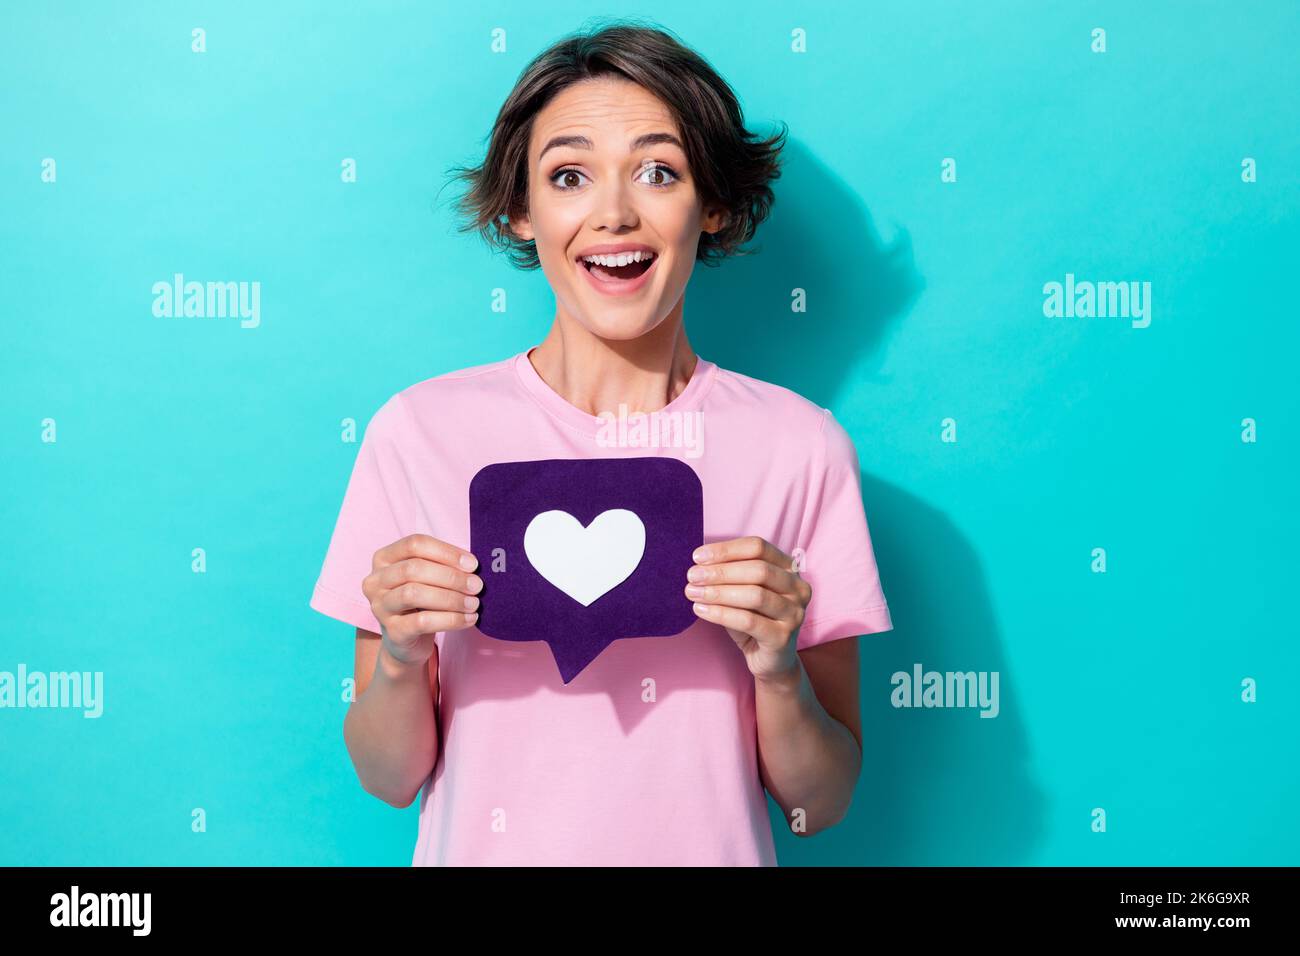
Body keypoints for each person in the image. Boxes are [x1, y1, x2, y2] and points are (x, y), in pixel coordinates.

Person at [309, 19, 894, 866]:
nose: (614, 213)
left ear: (715, 205)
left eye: (660, 171)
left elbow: (825, 801)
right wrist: (402, 657)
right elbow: (388, 778)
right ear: (521, 210)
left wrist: (777, 669)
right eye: (570, 175)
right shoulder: (417, 433)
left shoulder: (801, 448)